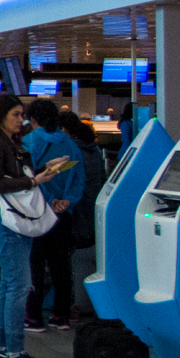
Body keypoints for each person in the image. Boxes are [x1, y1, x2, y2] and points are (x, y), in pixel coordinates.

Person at [0, 94, 66, 358]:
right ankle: (15, 351)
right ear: (1, 115)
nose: (21, 120)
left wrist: (42, 173)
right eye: (16, 114)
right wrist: (34, 180)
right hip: (5, 219)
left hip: (13, 218)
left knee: (10, 284)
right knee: (18, 284)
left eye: (22, 115)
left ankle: (2, 346)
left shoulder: (11, 143)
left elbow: (16, 176)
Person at [22, 99, 83, 332]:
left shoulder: (29, 142)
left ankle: (33, 317)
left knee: (35, 264)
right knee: (61, 265)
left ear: (33, 119)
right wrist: (67, 202)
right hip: (63, 215)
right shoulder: (70, 144)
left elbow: (31, 177)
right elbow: (79, 178)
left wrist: (50, 201)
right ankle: (61, 316)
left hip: (38, 212)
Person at [63, 112, 108, 318]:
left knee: (78, 258)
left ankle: (79, 305)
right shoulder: (95, 150)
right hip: (93, 211)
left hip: (77, 210)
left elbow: (67, 182)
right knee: (88, 256)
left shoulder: (72, 150)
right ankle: (92, 303)